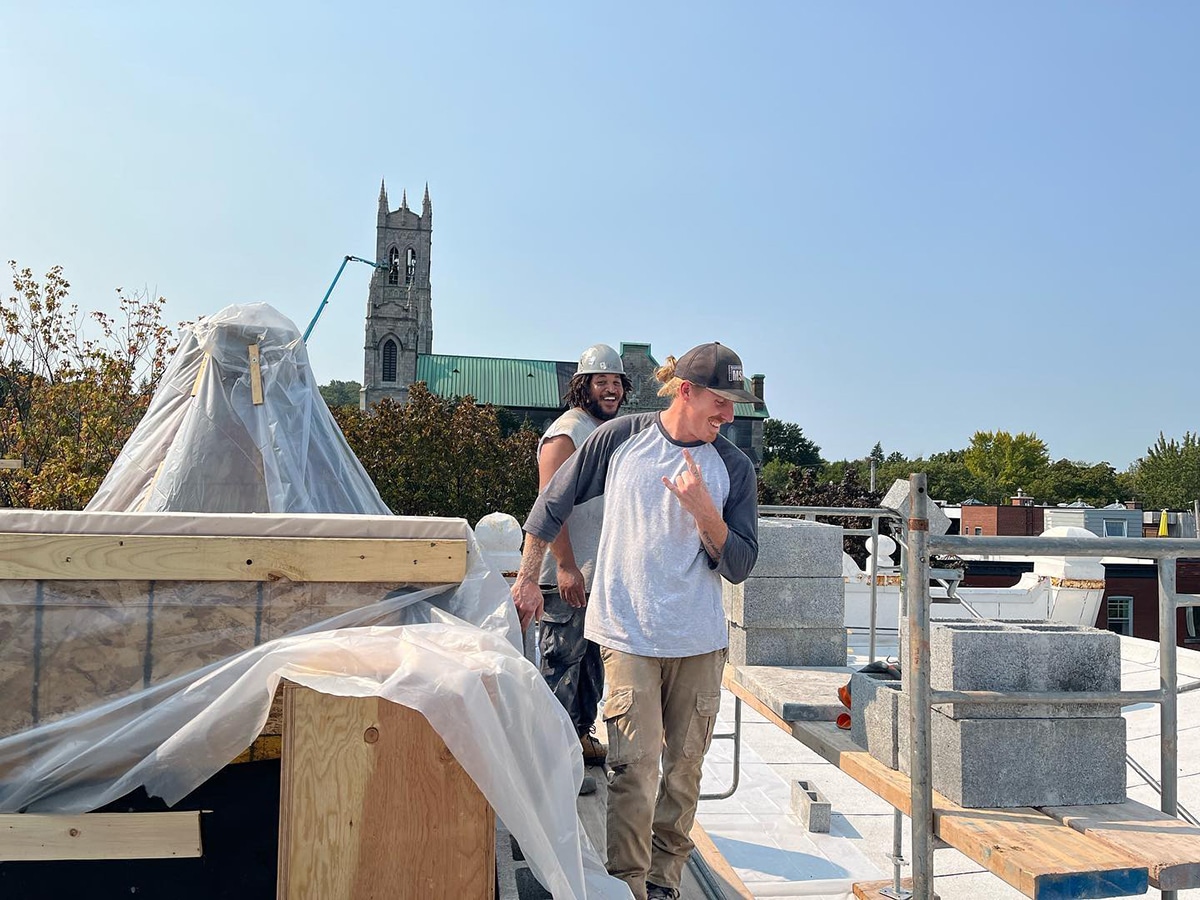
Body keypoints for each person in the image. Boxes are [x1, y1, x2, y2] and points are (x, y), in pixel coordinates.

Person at [512, 342, 759, 900]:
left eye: (734, 404)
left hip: (698, 641)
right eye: (721, 401)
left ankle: (664, 882)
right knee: (634, 769)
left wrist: (705, 513)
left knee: (684, 771)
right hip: (627, 634)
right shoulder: (621, 439)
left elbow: (741, 564)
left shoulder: (734, 467)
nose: (729, 415)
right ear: (686, 391)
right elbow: (552, 502)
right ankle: (628, 886)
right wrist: (528, 578)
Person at [537, 343, 632, 792]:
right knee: (563, 665)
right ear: (583, 386)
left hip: (600, 577)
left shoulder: (606, 431)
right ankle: (554, 767)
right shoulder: (567, 433)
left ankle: (578, 739)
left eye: (616, 382)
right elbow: (549, 505)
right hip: (570, 576)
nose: (610, 389)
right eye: (601, 382)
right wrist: (566, 565)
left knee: (591, 667)